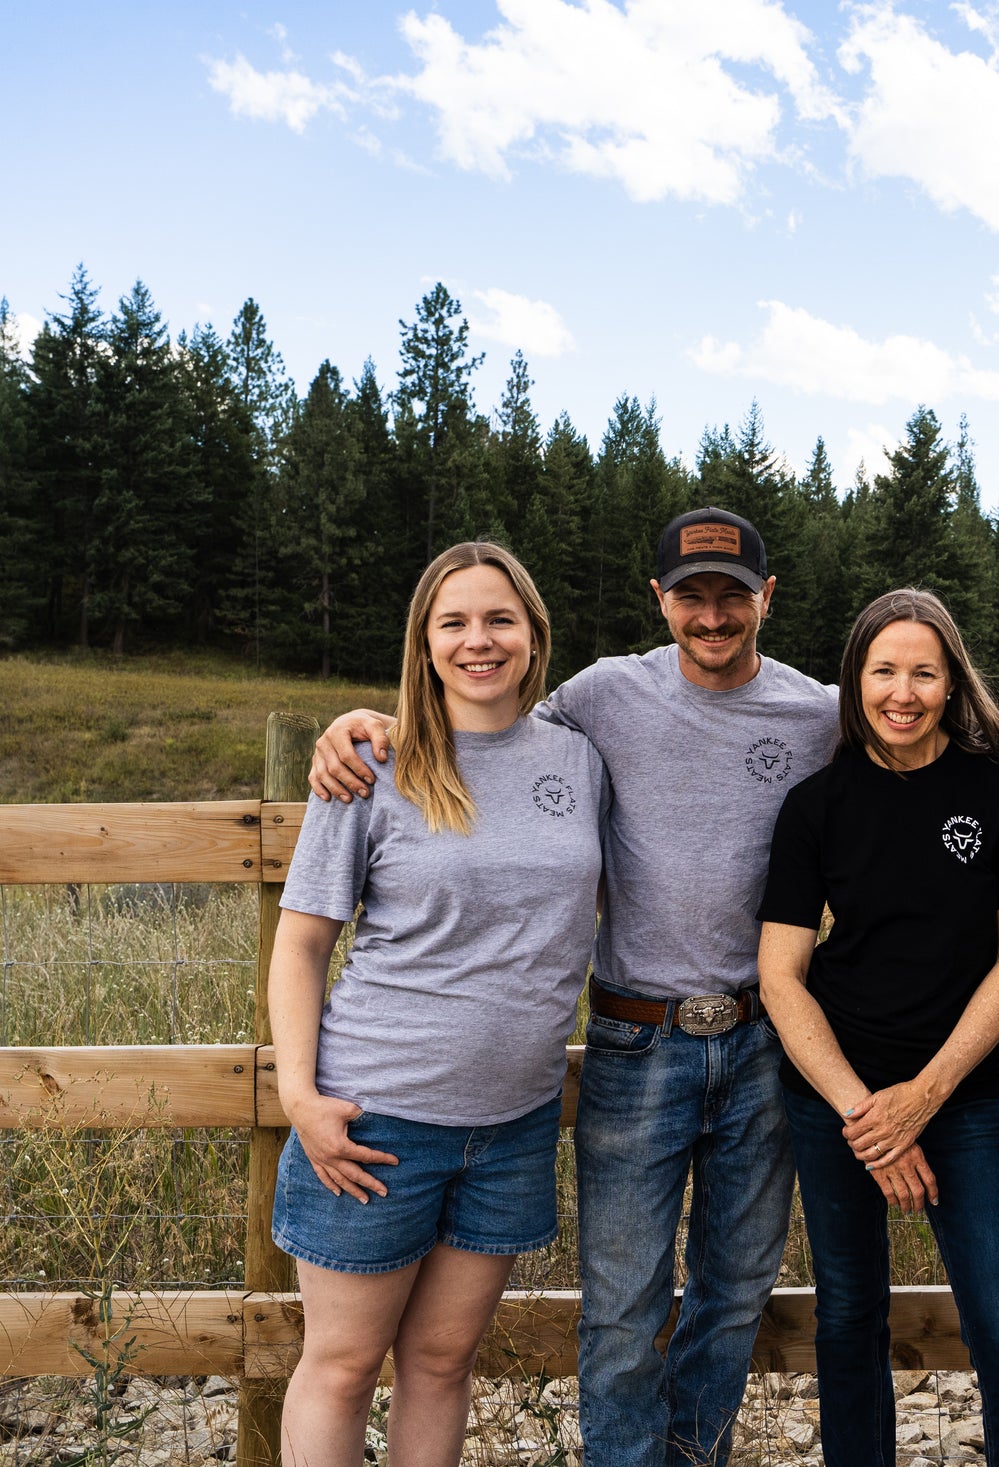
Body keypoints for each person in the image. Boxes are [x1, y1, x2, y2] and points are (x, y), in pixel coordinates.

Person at [307, 508, 840, 1467]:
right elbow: (477, 729)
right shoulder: (600, 698)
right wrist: (366, 723)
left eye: (732, 595)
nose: (711, 615)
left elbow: (930, 735)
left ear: (768, 596)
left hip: (766, 1038)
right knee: (624, 1305)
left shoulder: (820, 714)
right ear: (660, 600)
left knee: (732, 1297)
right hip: (635, 1040)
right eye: (690, 596)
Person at [271, 542, 608, 1467]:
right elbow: (301, 943)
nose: (478, 640)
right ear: (424, 643)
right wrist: (300, 1097)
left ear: (535, 637)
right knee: (341, 1364)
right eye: (453, 622)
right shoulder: (373, 763)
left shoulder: (580, 763)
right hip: (377, 1118)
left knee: (442, 1358)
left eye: (499, 618)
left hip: (514, 1122)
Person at [757, 588, 999, 1467]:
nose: (903, 691)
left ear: (951, 681)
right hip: (836, 1105)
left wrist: (922, 1101)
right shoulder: (815, 804)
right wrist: (872, 1120)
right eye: (883, 670)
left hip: (963, 1101)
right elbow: (780, 975)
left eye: (923, 672)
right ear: (853, 681)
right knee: (849, 1310)